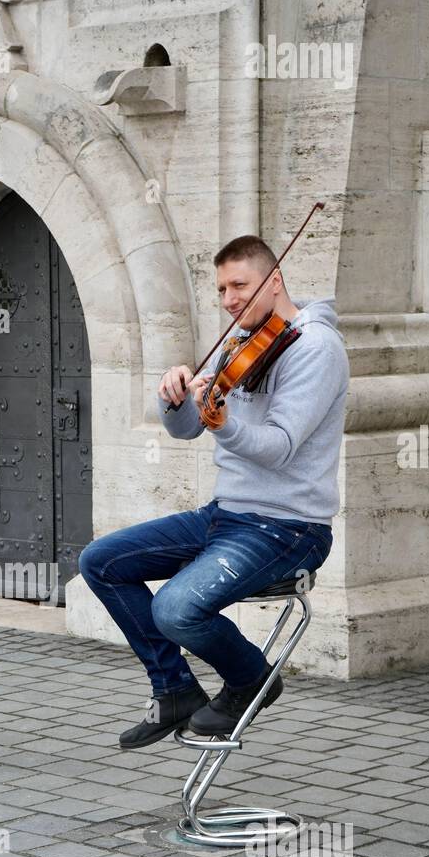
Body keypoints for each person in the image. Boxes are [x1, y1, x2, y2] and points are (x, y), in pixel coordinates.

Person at [79, 233, 348, 747]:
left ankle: (252, 681)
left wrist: (224, 425)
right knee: (102, 562)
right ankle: (175, 689)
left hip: (289, 528)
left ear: (275, 281)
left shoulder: (314, 347)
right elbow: (185, 430)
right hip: (227, 515)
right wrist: (174, 396)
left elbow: (280, 447)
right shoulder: (240, 342)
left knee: (176, 609)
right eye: (221, 289)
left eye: (239, 286)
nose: (228, 300)